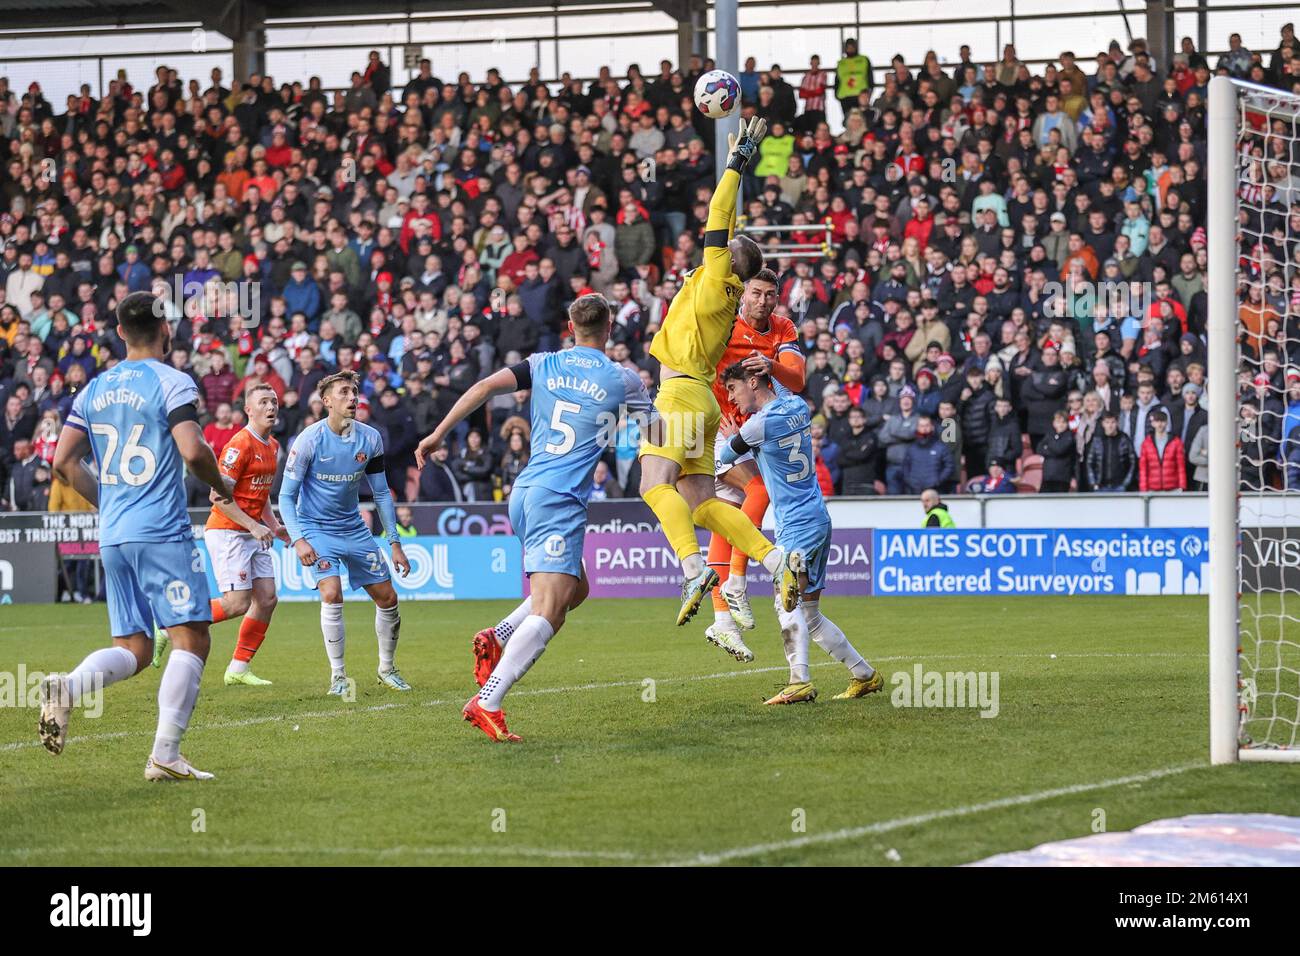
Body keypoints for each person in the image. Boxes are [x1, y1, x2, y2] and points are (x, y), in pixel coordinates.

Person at [413, 294, 652, 742]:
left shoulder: (544, 363)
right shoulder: (623, 379)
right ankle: (489, 700)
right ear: (611, 328)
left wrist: (437, 434)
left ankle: (500, 633)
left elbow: (483, 388)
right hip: (559, 499)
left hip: (525, 492)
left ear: (569, 327)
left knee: (577, 588)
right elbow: (659, 430)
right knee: (552, 610)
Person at [39, 291, 233, 781]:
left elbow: (62, 463)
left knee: (135, 649)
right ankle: (165, 755)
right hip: (161, 531)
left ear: (120, 332)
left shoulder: (94, 389)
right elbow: (192, 451)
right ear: (166, 331)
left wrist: (112, 502)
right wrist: (222, 485)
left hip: (114, 533)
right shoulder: (173, 381)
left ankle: (69, 687)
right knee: (191, 638)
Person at [637, 116, 791, 626]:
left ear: (728, 261)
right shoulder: (717, 294)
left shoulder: (715, 277)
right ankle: (774, 559)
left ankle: (692, 566)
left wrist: (734, 167)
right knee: (702, 501)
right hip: (701, 399)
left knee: (652, 483)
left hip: (677, 395)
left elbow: (717, 214)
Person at [719, 360, 882, 704]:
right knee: (809, 613)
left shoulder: (757, 426)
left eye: (733, 389)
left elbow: (724, 455)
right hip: (817, 516)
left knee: (784, 602)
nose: (731, 399)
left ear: (753, 382)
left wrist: (732, 433)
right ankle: (864, 674)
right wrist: (771, 366)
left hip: (796, 524)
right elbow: (781, 385)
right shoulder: (797, 405)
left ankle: (799, 680)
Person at [278, 370, 412, 696]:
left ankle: (387, 668)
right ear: (327, 402)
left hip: (353, 527)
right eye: (343, 392)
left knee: (388, 598)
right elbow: (284, 497)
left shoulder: (370, 438)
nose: (352, 397)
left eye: (354, 391)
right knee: (331, 593)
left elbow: (381, 494)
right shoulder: (308, 441)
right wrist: (299, 539)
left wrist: (394, 542)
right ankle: (338, 677)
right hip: (315, 528)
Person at [703, 267, 804, 664]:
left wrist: (771, 364)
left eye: (770, 295)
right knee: (758, 489)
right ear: (743, 294)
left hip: (747, 431)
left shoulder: (782, 328)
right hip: (715, 427)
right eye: (756, 293)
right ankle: (738, 582)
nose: (763, 301)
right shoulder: (724, 322)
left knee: (726, 515)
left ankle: (722, 620)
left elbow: (796, 380)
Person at [171, 382, 290, 686]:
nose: (271, 407)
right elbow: (218, 496)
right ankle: (172, 621)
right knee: (236, 603)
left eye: (274, 401)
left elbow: (259, 493)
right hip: (228, 531)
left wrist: (273, 524)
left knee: (266, 598)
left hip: (254, 531)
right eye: (263, 402)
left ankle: (238, 667)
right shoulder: (240, 445)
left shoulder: (273, 446)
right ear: (248, 410)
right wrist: (253, 525)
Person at [1138, 408, 1187, 492]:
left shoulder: (1176, 442)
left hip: (1173, 488)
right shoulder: (1146, 443)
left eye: (1162, 421)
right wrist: (1143, 488)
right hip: (1152, 488)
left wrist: (1182, 486)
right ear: (1152, 423)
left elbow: (1181, 466)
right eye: (1157, 421)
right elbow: (1143, 468)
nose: (1160, 424)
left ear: (1166, 422)